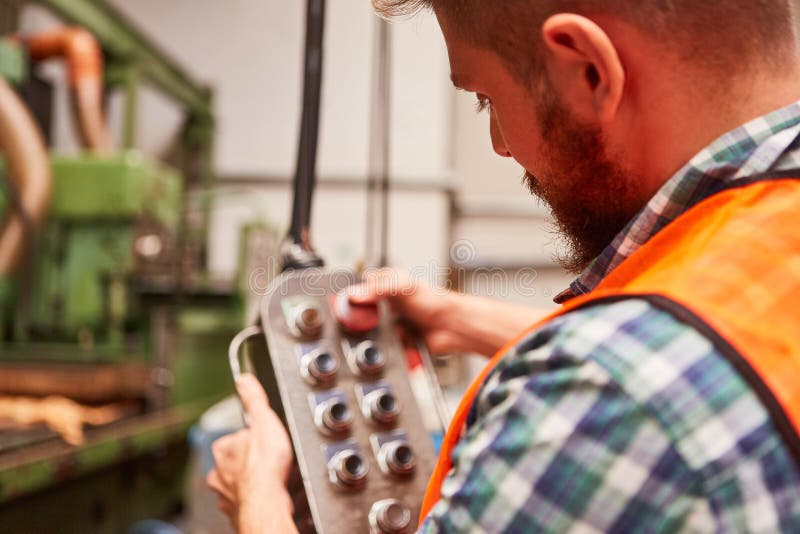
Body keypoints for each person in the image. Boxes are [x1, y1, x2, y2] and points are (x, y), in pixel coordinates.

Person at [207, 0, 800, 531]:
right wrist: (466, 321)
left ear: (589, 71)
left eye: (486, 98)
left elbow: (633, 381)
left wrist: (256, 498)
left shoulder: (603, 397)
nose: (499, 142)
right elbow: (726, 353)